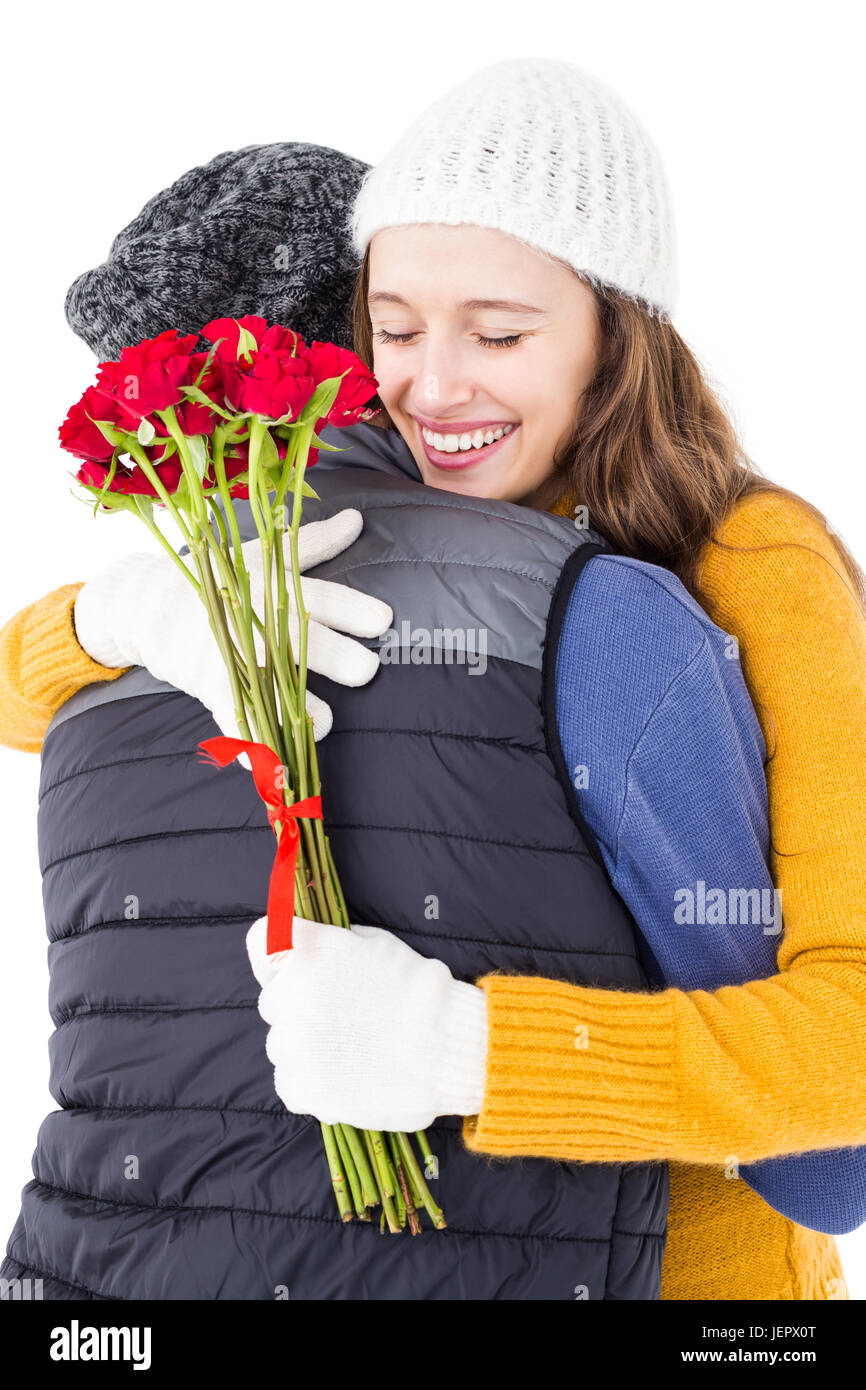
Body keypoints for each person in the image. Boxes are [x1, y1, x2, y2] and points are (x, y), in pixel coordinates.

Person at [1, 60, 863, 1300]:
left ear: (619, 333)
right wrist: (113, 616)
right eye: (394, 331)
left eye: (499, 334)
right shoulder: (363, 555)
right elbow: (17, 703)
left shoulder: (743, 564)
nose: (433, 388)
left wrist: (476, 1052)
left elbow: (844, 1086)